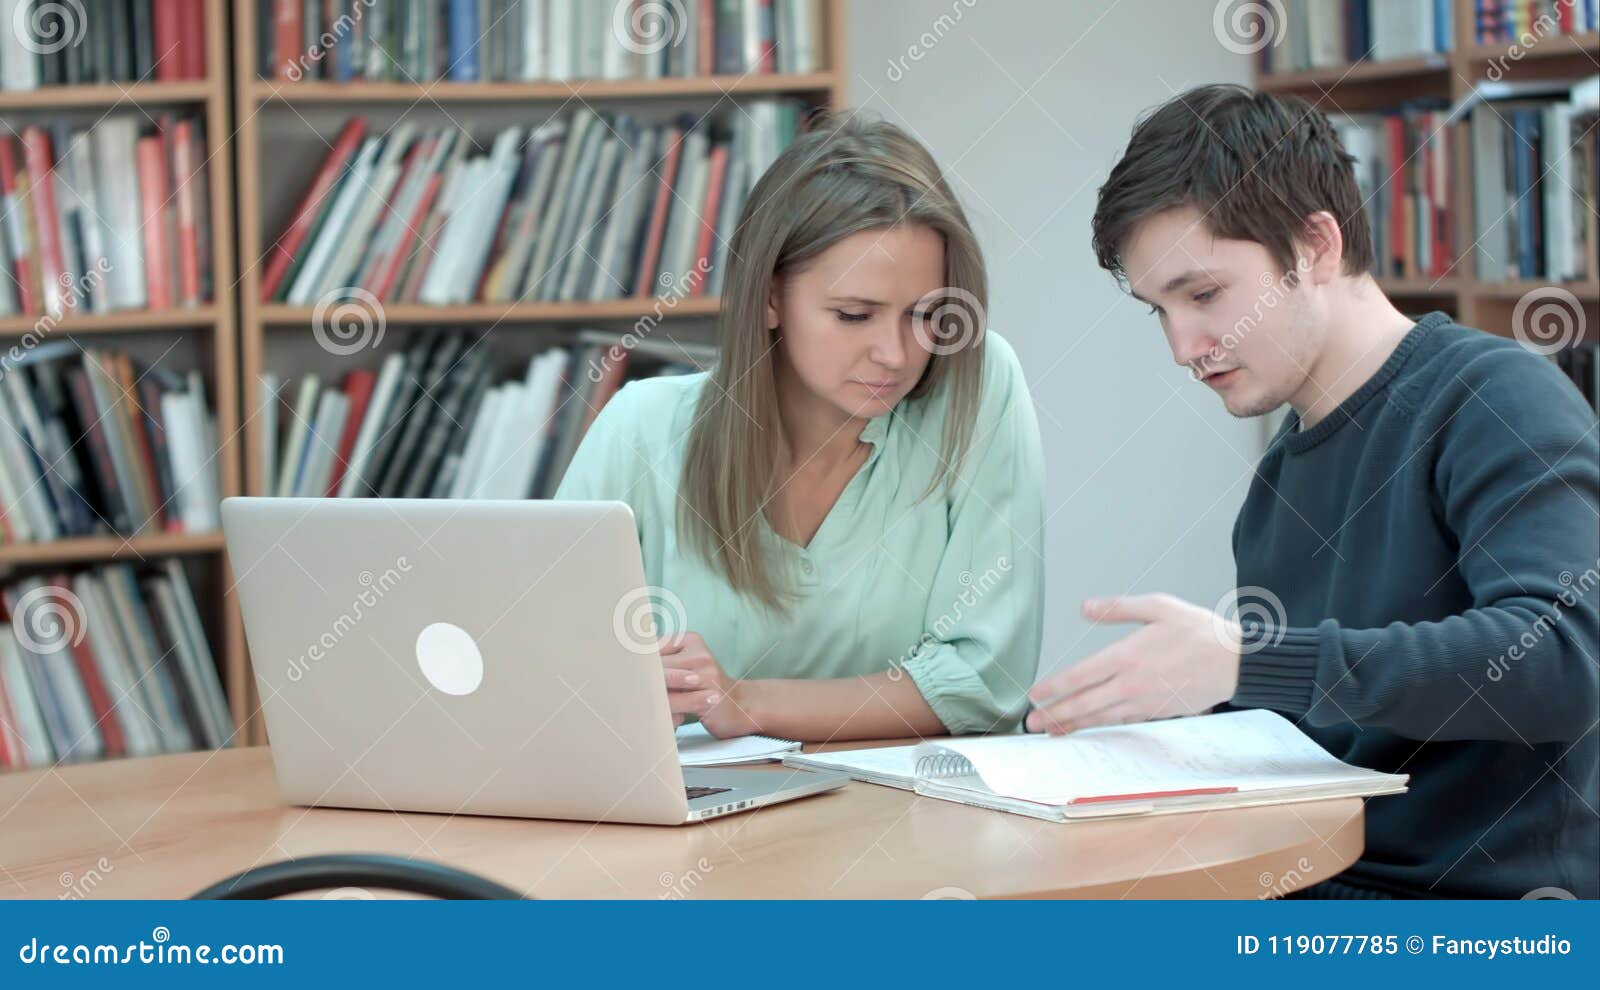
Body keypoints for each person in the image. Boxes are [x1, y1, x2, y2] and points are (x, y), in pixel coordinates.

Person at [1032, 83, 1598, 899]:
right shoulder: (1279, 479)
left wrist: (1246, 661)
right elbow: (1312, 724)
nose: (1184, 346)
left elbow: (1563, 662)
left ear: (1316, 246)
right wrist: (1140, 727)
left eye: (1204, 294)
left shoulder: (1496, 398)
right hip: (1308, 884)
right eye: (1159, 310)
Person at [557, 115, 1046, 742]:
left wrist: (747, 702)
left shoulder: (977, 386)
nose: (896, 354)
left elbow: (983, 683)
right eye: (854, 315)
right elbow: (547, 667)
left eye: (925, 315)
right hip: (696, 801)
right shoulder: (640, 428)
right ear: (770, 298)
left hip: (912, 799)